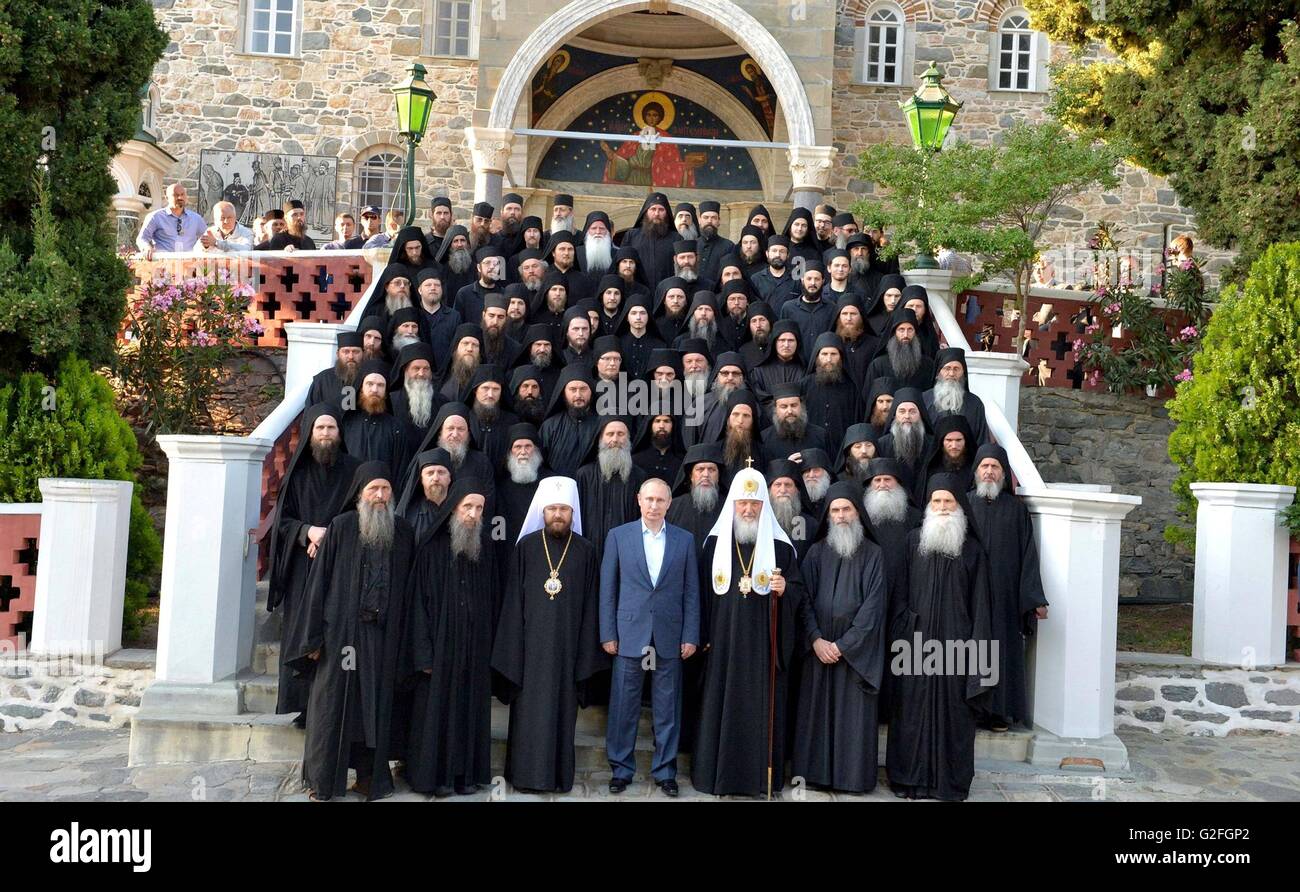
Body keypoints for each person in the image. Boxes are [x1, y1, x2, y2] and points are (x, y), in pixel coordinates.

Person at [288, 461, 415, 801]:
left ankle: (370, 779)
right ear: (360, 494)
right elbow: (318, 586)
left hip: (382, 638)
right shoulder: (341, 528)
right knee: (332, 707)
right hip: (341, 638)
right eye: (373, 489)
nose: (379, 495)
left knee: (374, 709)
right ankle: (323, 782)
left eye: (385, 489)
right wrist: (312, 638)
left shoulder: (402, 532)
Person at [692, 465, 803, 797]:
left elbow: (798, 593)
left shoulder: (781, 548)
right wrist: (703, 637)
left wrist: (786, 589)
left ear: (763, 506)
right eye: (743, 503)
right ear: (733, 504)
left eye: (755, 504)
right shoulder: (714, 545)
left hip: (761, 649)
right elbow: (698, 593)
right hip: (722, 645)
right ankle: (716, 776)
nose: (748, 509)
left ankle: (757, 780)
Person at [491, 477, 606, 793]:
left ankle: (557, 777)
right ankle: (525, 776)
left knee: (561, 717)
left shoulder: (586, 550)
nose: (558, 514)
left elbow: (590, 605)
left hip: (568, 651)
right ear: (542, 510)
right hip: (529, 652)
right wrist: (513, 653)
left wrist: (585, 654)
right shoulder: (526, 547)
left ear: (572, 512)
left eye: (564, 509)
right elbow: (513, 603)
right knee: (528, 715)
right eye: (552, 508)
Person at [885, 474, 995, 801]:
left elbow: (982, 610)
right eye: (937, 502)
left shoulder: (973, 551)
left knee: (954, 715)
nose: (943, 508)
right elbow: (899, 595)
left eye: (949, 502)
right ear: (929, 506)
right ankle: (908, 780)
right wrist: (904, 632)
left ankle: (951, 784)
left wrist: (979, 663)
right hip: (914, 647)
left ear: (959, 506)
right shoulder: (911, 543)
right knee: (911, 713)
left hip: (959, 649)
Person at [600, 478, 700, 797]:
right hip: (629, 633)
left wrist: (691, 635)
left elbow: (691, 592)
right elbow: (608, 589)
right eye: (649, 499)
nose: (654, 505)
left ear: (669, 504)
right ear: (638, 500)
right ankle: (620, 769)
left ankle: (665, 771)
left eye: (660, 500)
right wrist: (608, 632)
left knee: (667, 707)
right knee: (623, 705)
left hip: (669, 636)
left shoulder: (684, 540)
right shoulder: (618, 536)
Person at [792, 481, 889, 794]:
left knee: (853, 720)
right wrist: (816, 640)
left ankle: (852, 779)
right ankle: (816, 775)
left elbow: (873, 608)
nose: (841, 515)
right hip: (818, 649)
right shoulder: (816, 552)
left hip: (854, 655)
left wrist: (843, 646)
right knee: (816, 716)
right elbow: (803, 599)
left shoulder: (874, 555)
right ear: (828, 516)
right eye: (835, 510)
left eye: (847, 509)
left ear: (857, 512)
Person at [267, 404, 361, 724]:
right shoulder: (297, 475)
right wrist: (308, 532)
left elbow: (362, 514)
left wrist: (330, 537)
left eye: (331, 428)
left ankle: (330, 705)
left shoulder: (354, 470)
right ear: (310, 434)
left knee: (333, 635)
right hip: (302, 569)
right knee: (302, 633)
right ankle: (304, 707)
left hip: (340, 566)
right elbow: (282, 522)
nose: (325, 434)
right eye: (320, 429)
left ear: (339, 433)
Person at [405, 480, 496, 797]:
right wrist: (424, 654)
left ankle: (465, 776)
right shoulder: (430, 550)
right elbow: (416, 606)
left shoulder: (483, 551)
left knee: (468, 713)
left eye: (479, 508)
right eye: (467, 507)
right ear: (453, 508)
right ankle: (434, 778)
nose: (473, 514)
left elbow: (492, 602)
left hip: (473, 649)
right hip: (439, 650)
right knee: (436, 716)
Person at [967, 444, 1048, 731]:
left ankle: (997, 713)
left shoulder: (1016, 510)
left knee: (1000, 650)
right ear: (975, 471)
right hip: (968, 596)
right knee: (968, 648)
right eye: (984, 466)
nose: (989, 472)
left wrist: (1034, 598)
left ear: (1003, 474)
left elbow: (1028, 555)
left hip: (1004, 595)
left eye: (995, 467)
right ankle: (971, 709)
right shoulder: (963, 505)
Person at [575, 417, 646, 565]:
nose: (615, 439)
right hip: (589, 552)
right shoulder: (584, 475)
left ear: (628, 439)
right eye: (610, 434)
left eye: (621, 434)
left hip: (628, 554)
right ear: (600, 439)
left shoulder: (639, 476)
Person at [923, 347, 991, 446]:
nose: (951, 374)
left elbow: (982, 440)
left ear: (963, 373)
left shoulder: (975, 403)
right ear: (938, 373)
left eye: (956, 369)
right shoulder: (925, 399)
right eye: (947, 368)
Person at [136, 183, 206, 258]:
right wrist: (146, 247)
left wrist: (208, 244)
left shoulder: (196, 218)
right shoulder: (156, 217)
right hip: (164, 265)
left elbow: (207, 238)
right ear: (167, 198)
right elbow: (142, 239)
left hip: (188, 265)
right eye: (175, 195)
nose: (180, 197)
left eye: (182, 194)